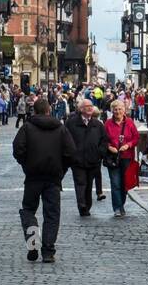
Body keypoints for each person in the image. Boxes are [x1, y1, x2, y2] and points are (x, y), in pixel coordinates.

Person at [12, 97, 76, 263]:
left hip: (33, 176)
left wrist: (26, 164)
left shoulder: (27, 128)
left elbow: (18, 149)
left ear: (35, 110)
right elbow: (70, 152)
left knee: (28, 210)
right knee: (52, 214)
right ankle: (48, 251)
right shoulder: (60, 128)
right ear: (49, 110)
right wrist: (62, 169)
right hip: (53, 177)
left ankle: (33, 243)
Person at [66, 97, 108, 216]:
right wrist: (71, 154)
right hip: (77, 160)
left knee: (89, 185)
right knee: (80, 183)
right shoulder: (72, 123)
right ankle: (82, 204)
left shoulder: (98, 124)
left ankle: (87, 205)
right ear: (81, 109)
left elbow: (104, 141)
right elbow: (65, 138)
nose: (90, 108)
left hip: (93, 160)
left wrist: (100, 153)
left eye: (91, 106)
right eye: (87, 107)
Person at [104, 98, 139, 217]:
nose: (117, 111)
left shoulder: (129, 122)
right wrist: (109, 147)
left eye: (120, 109)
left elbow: (136, 138)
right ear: (112, 111)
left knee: (124, 183)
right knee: (115, 183)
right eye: (115, 109)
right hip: (113, 158)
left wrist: (128, 145)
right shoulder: (108, 123)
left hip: (127, 157)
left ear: (124, 110)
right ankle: (117, 208)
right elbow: (103, 139)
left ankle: (121, 204)